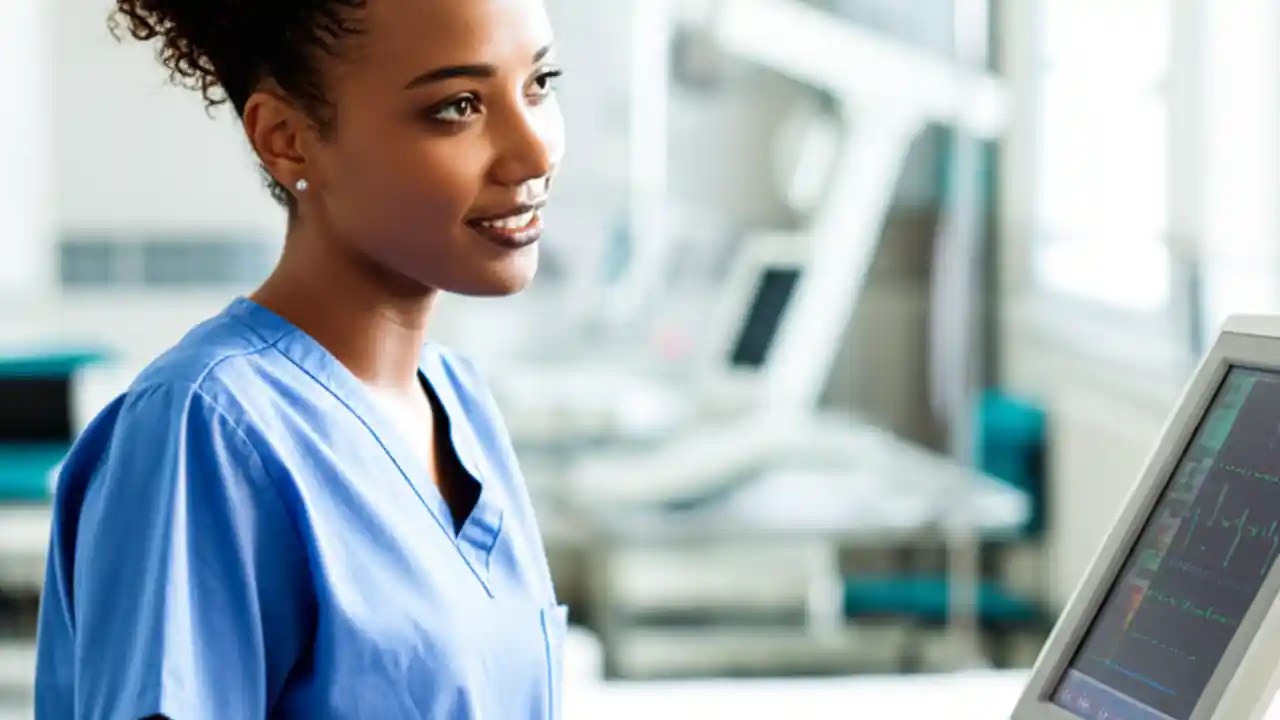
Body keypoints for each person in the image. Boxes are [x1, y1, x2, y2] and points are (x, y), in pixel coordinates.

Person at [33, 0, 567, 717]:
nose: (536, 153)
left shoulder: (457, 397)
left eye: (539, 83)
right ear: (287, 140)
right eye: (457, 107)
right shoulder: (208, 428)